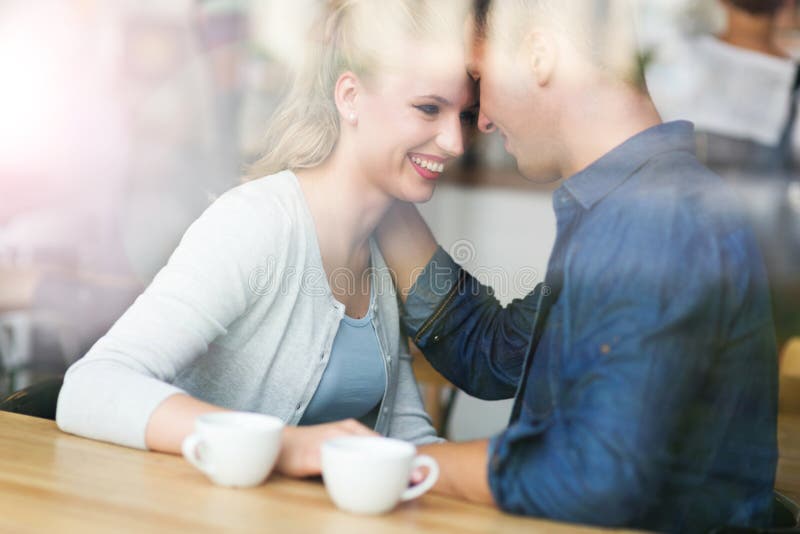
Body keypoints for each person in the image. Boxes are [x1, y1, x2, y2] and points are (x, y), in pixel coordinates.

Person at [376, 1, 778, 531]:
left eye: (480, 77)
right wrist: (381, 181)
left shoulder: (656, 222)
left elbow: (592, 479)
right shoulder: (630, 206)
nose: (485, 116)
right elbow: (494, 352)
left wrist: (382, 463)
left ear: (538, 55)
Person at [56, 0, 475, 477]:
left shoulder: (381, 253)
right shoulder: (256, 223)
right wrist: (285, 445)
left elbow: (406, 440)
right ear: (351, 96)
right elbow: (90, 386)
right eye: (428, 108)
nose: (455, 143)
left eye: (463, 115)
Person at [647, 0, 800, 349]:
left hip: (679, 264)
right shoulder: (793, 82)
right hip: (767, 277)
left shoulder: (676, 63)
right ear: (789, 5)